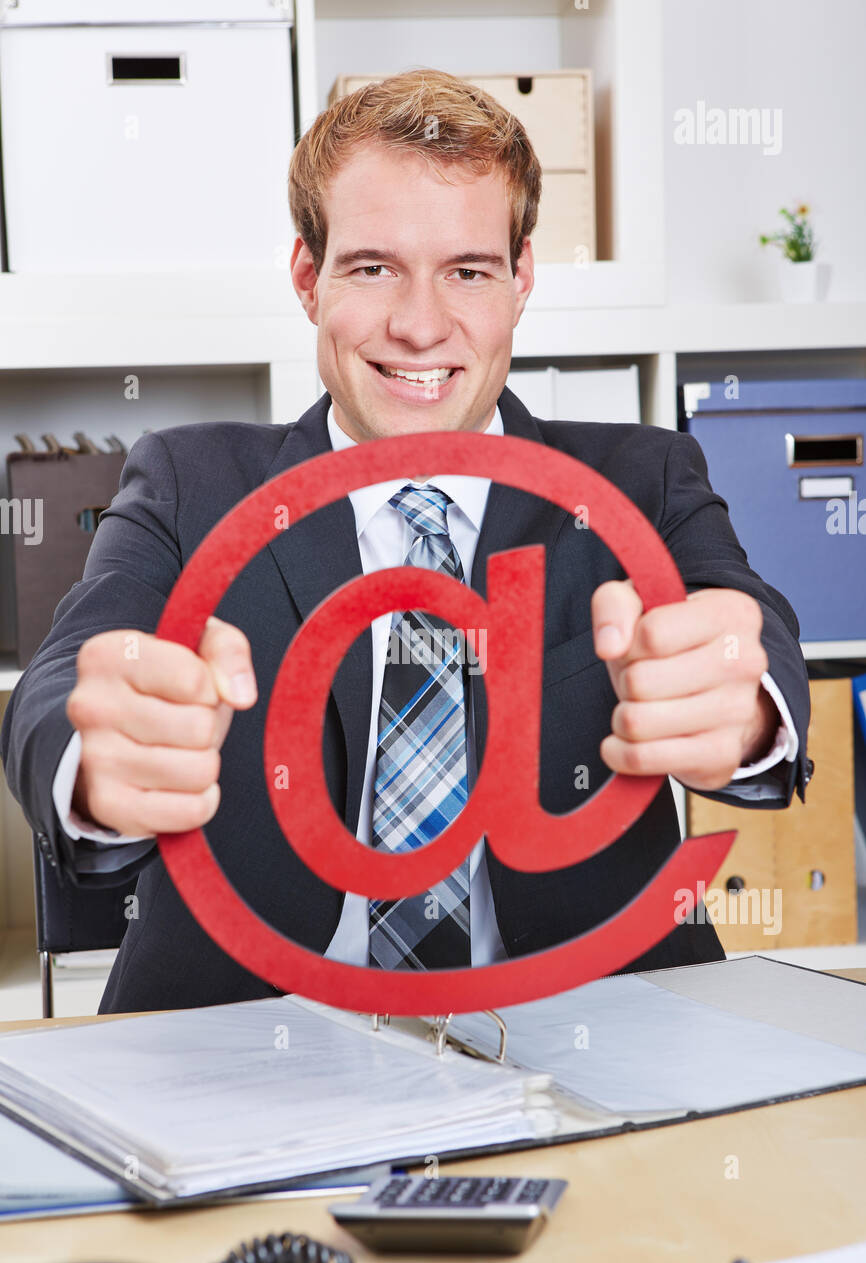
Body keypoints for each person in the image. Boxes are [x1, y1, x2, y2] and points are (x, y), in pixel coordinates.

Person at [1, 70, 811, 1011]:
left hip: (597, 1036)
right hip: (248, 1052)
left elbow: (751, 629)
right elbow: (64, 680)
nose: (421, 326)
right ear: (309, 278)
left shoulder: (643, 478)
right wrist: (97, 757)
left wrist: (744, 706)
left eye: (467, 271)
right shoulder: (191, 481)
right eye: (373, 267)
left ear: (521, 281)